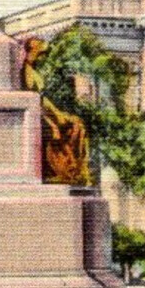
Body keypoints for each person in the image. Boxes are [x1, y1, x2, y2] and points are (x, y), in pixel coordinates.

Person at [21, 37, 91, 186]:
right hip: (37, 113)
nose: (42, 57)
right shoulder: (26, 71)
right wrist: (54, 118)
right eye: (39, 53)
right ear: (30, 52)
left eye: (43, 54)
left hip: (45, 109)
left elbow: (43, 99)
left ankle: (75, 169)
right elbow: (34, 100)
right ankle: (58, 170)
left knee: (77, 125)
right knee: (57, 131)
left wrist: (58, 113)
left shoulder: (33, 70)